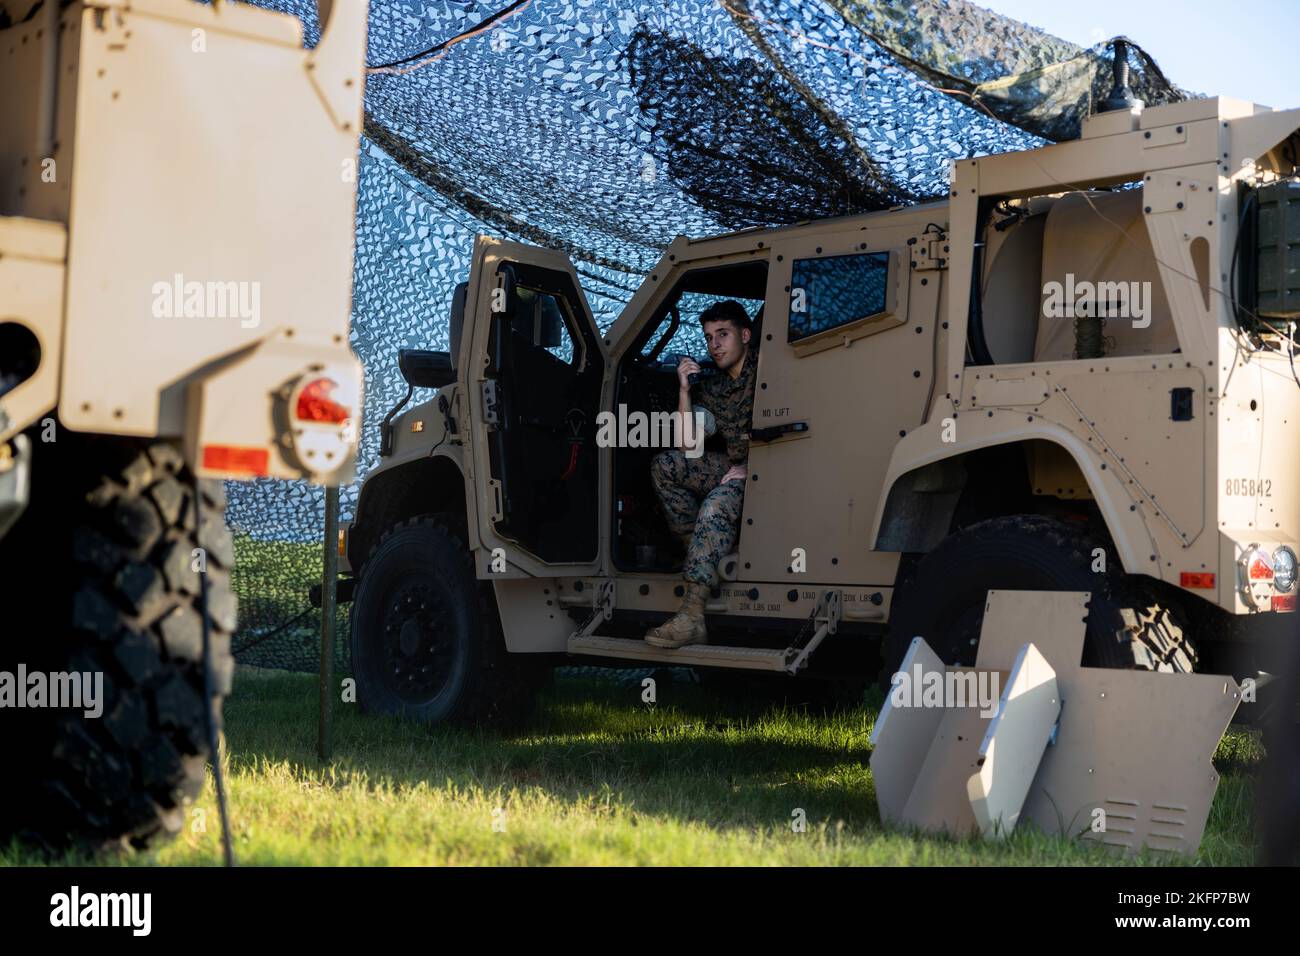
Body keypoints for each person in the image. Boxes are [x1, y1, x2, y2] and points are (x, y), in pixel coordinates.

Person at [644, 299, 756, 648]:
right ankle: (704, 555)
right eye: (709, 337)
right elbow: (685, 443)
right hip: (734, 468)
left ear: (746, 335)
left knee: (716, 503)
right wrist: (684, 390)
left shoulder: (771, 373)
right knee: (666, 466)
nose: (714, 345)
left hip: (772, 472)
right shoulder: (717, 386)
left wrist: (754, 466)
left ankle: (692, 614)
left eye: (723, 334)